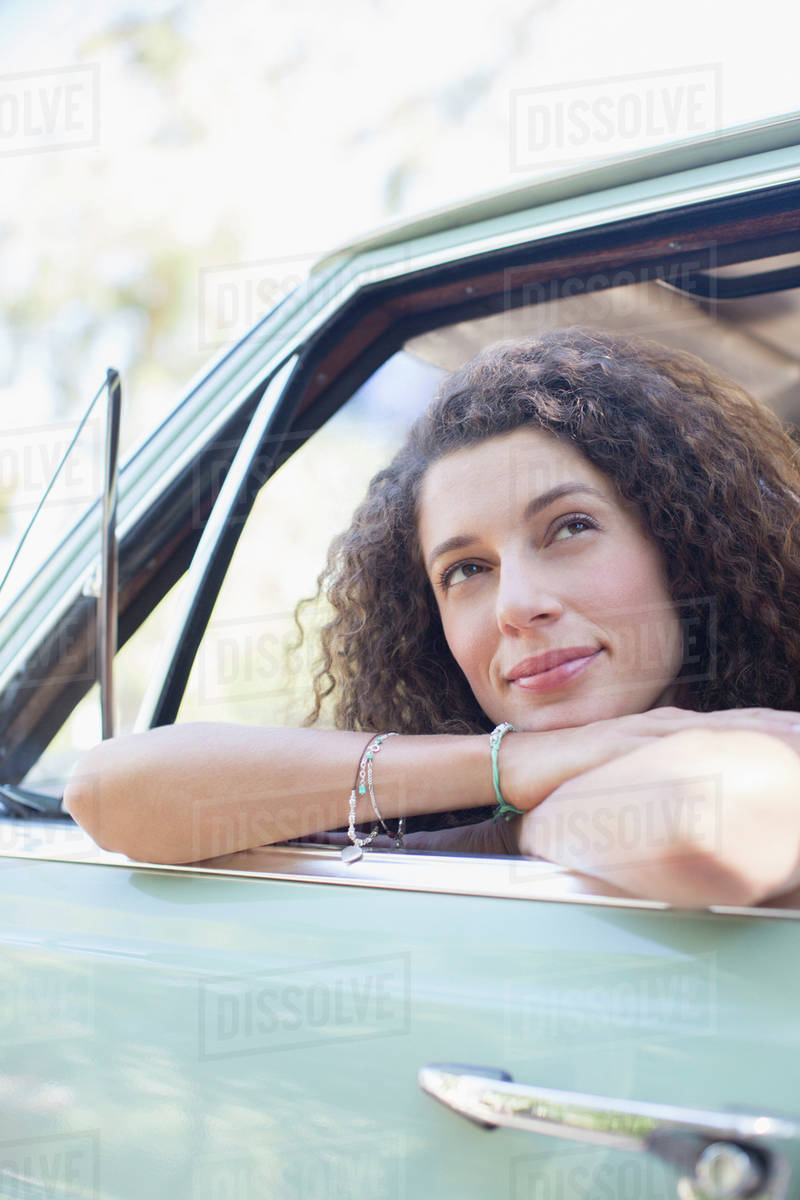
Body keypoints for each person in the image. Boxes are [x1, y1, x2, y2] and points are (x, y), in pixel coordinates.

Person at [65, 328, 800, 907]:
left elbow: (708, 828)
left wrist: (530, 819)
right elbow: (106, 792)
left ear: (679, 548)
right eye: (466, 571)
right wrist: (512, 767)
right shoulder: (425, 808)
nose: (516, 606)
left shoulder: (768, 744)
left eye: (570, 527)